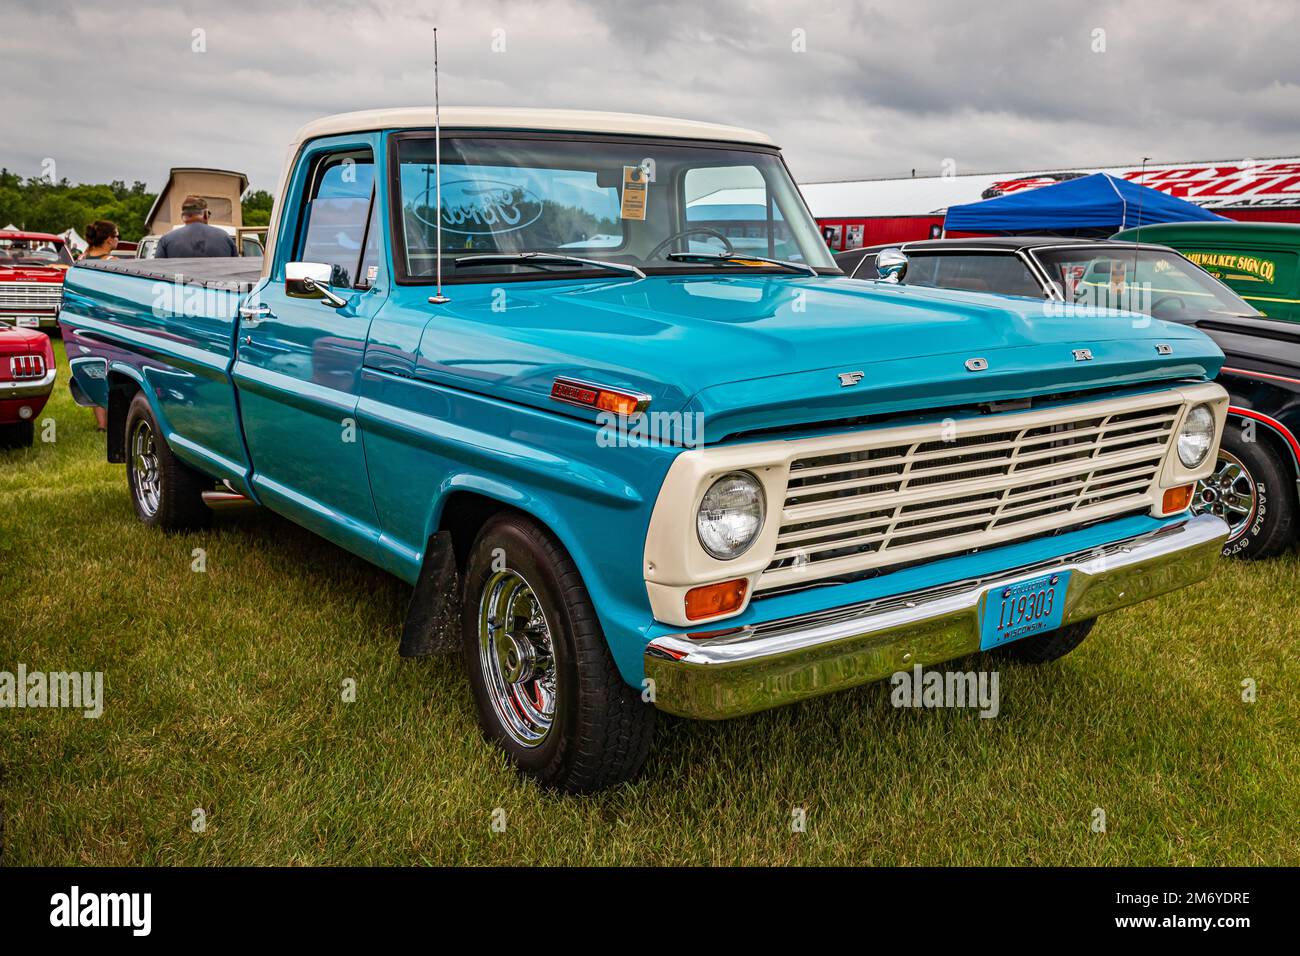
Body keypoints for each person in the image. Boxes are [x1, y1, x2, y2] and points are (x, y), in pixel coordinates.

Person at [78, 220, 120, 431]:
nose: (118, 240)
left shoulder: (81, 260)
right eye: (117, 236)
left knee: (92, 369)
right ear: (109, 239)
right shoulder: (114, 262)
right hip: (108, 323)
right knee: (112, 371)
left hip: (85, 322)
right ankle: (115, 418)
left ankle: (102, 424)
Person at [155, 195, 237, 258]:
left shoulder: (166, 240)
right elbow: (235, 270)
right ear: (205, 214)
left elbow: (157, 272)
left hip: (179, 280)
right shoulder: (225, 237)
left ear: (183, 216)